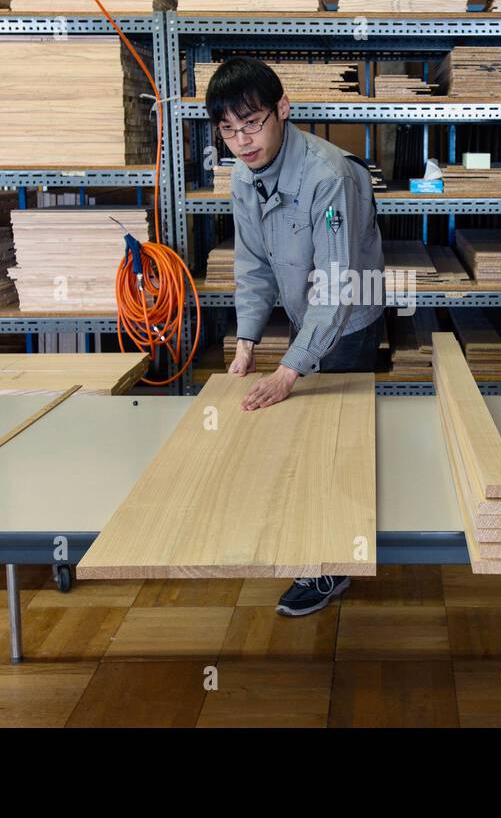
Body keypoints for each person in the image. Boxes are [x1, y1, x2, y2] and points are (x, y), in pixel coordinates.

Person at [205, 56, 385, 617]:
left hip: (347, 321)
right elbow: (253, 264)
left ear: (283, 109)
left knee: (335, 448)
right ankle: (313, 544)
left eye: (252, 123)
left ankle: (333, 564)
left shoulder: (328, 175)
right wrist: (247, 343)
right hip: (306, 314)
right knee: (301, 442)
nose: (242, 141)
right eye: (229, 130)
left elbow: (338, 284)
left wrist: (289, 370)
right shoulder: (243, 175)